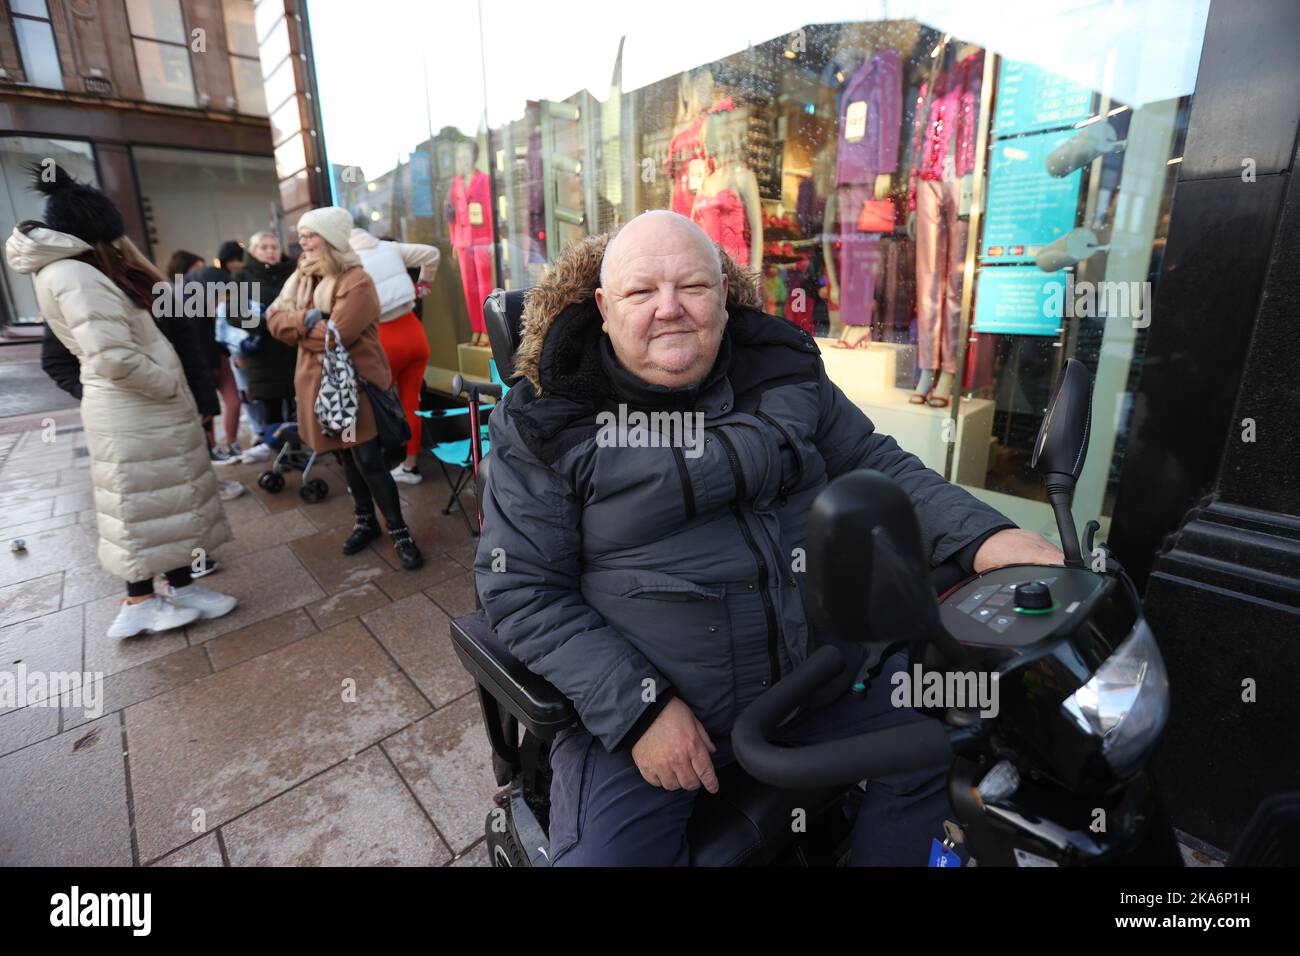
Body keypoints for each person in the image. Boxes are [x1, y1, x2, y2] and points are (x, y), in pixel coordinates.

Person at [475, 211, 1064, 866]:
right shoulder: (547, 421)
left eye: (692, 287)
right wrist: (640, 711)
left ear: (723, 296)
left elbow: (875, 463)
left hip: (824, 674)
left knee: (943, 753)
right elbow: (523, 589)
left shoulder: (781, 367)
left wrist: (985, 536)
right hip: (661, 705)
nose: (669, 309)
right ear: (605, 308)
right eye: (643, 293)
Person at [5, 164, 238, 637]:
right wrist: (166, 384)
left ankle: (181, 586)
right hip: (137, 409)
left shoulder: (98, 271)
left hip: (148, 410)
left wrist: (185, 390)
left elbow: (154, 336)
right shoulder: (77, 275)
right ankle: (138, 602)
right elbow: (112, 358)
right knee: (139, 506)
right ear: (96, 232)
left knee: (166, 503)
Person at [266, 206, 424, 570]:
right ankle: (365, 520)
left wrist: (302, 330)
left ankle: (399, 530)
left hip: (356, 386)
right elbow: (274, 321)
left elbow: (337, 336)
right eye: (301, 235)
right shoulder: (302, 277)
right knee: (343, 453)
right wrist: (308, 320)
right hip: (318, 386)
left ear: (332, 239)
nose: (302, 242)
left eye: (310, 235)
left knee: (368, 458)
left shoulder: (356, 280)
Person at [348, 228, 439, 484]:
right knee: (412, 402)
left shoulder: (349, 260)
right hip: (414, 332)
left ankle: (375, 467)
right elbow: (431, 254)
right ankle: (410, 466)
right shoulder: (389, 248)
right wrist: (423, 282)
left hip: (383, 337)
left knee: (373, 405)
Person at [230, 230, 298, 437]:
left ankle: (301, 448)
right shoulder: (241, 277)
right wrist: (267, 325)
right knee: (273, 409)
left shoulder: (294, 272)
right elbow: (235, 313)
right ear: (253, 252)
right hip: (263, 354)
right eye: (264, 247)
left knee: (301, 404)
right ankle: (282, 455)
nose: (270, 251)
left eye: (274, 247)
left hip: (294, 348)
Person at [186, 241, 247, 459]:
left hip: (220, 358)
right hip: (204, 363)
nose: (224, 300)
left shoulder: (223, 313)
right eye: (220, 294)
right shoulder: (192, 320)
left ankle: (231, 441)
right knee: (209, 406)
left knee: (234, 401)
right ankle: (212, 447)